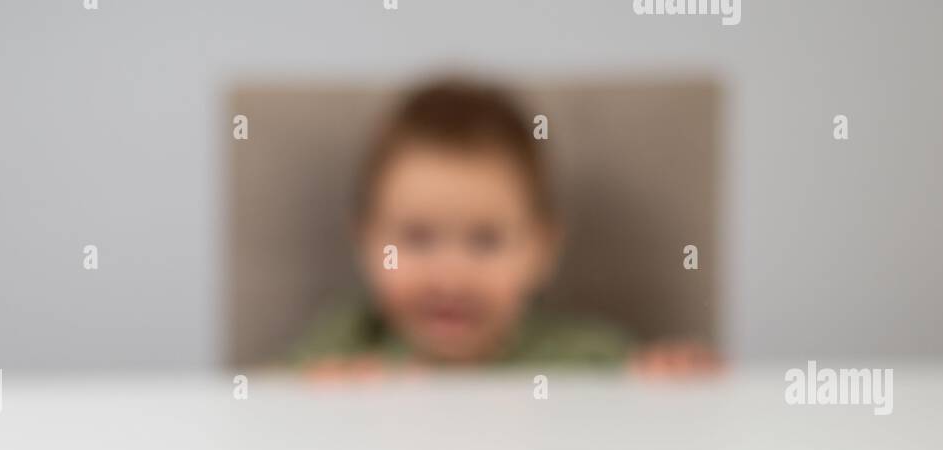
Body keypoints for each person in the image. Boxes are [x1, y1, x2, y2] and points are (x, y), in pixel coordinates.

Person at [288, 78, 716, 376]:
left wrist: (669, 375)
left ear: (542, 250)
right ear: (365, 243)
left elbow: (647, 412)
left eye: (485, 241)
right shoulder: (346, 341)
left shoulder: (580, 355)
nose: (451, 276)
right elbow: (262, 413)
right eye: (418, 238)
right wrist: (319, 396)